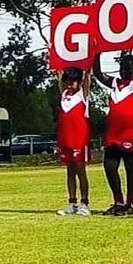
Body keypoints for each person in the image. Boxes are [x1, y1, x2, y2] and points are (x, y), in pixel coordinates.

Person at [92, 33, 133, 216]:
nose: (125, 70)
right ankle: (118, 201)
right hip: (113, 134)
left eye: (129, 67)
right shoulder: (114, 83)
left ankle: (131, 203)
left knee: (130, 167)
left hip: (131, 133)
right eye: (123, 67)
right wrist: (97, 52)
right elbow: (97, 73)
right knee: (109, 166)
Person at [55, 66, 91, 216]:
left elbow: (87, 77)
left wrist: (87, 68)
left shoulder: (83, 94)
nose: (69, 85)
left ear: (79, 82)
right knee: (69, 171)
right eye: (67, 82)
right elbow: (59, 75)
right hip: (66, 139)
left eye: (73, 82)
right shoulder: (64, 94)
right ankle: (72, 202)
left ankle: (84, 203)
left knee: (80, 171)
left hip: (79, 139)